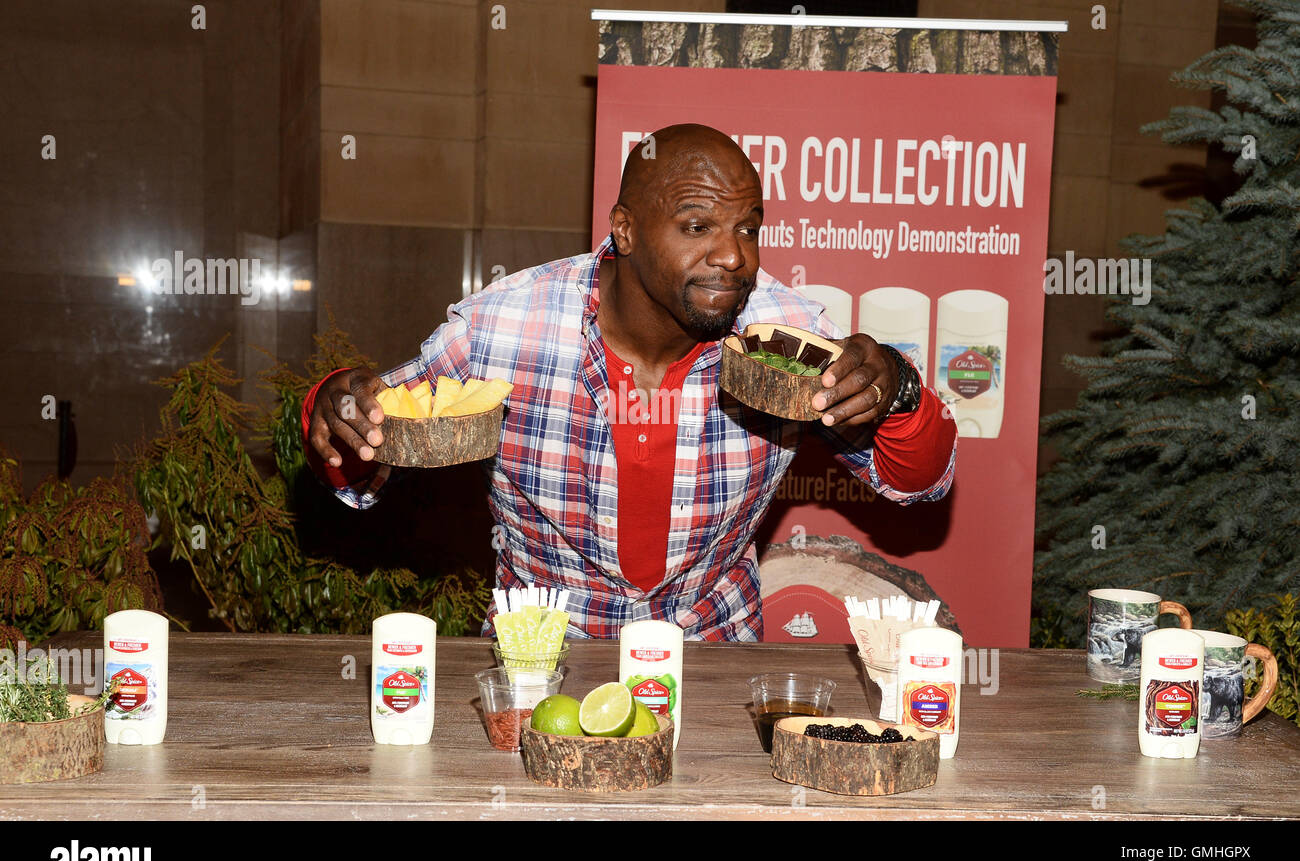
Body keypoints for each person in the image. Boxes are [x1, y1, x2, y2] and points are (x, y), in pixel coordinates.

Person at [302, 123, 956, 640]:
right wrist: (333, 408)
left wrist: (897, 388)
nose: (734, 255)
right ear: (625, 230)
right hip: (540, 663)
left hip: (713, 667)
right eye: (698, 226)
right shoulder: (503, 328)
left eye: (748, 228)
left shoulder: (783, 338)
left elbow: (920, 483)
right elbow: (366, 457)